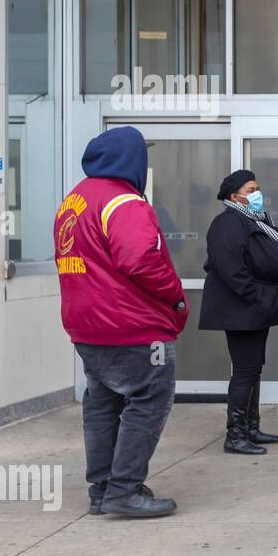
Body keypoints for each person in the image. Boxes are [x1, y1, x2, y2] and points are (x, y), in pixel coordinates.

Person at [54, 126, 189, 518]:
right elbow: (140, 260)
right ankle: (125, 490)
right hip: (132, 326)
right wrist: (176, 296)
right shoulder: (123, 201)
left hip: (88, 326)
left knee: (102, 402)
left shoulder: (74, 203)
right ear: (131, 159)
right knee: (149, 400)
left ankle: (103, 489)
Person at [199, 169, 278, 455]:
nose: (256, 194)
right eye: (250, 190)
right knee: (245, 371)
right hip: (241, 310)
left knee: (253, 368)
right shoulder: (227, 224)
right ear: (234, 197)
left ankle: (251, 427)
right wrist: (258, 297)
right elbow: (231, 270)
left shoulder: (252, 220)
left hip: (253, 310)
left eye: (257, 188)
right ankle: (235, 436)